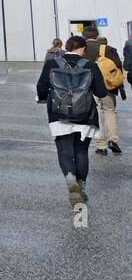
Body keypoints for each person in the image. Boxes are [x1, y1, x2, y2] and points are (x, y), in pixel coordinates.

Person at [37, 35, 108, 206]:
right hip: (86, 115)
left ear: (67, 47)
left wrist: (43, 97)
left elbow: (41, 88)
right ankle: (81, 188)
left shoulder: (52, 64)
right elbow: (101, 92)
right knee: (82, 152)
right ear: (83, 49)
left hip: (59, 115)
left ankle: (71, 182)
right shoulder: (91, 66)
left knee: (65, 150)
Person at [89, 35, 123, 155]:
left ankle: (101, 145)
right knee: (110, 111)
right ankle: (113, 140)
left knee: (97, 114)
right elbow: (118, 66)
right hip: (108, 87)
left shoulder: (84, 49)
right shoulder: (109, 49)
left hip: (91, 87)